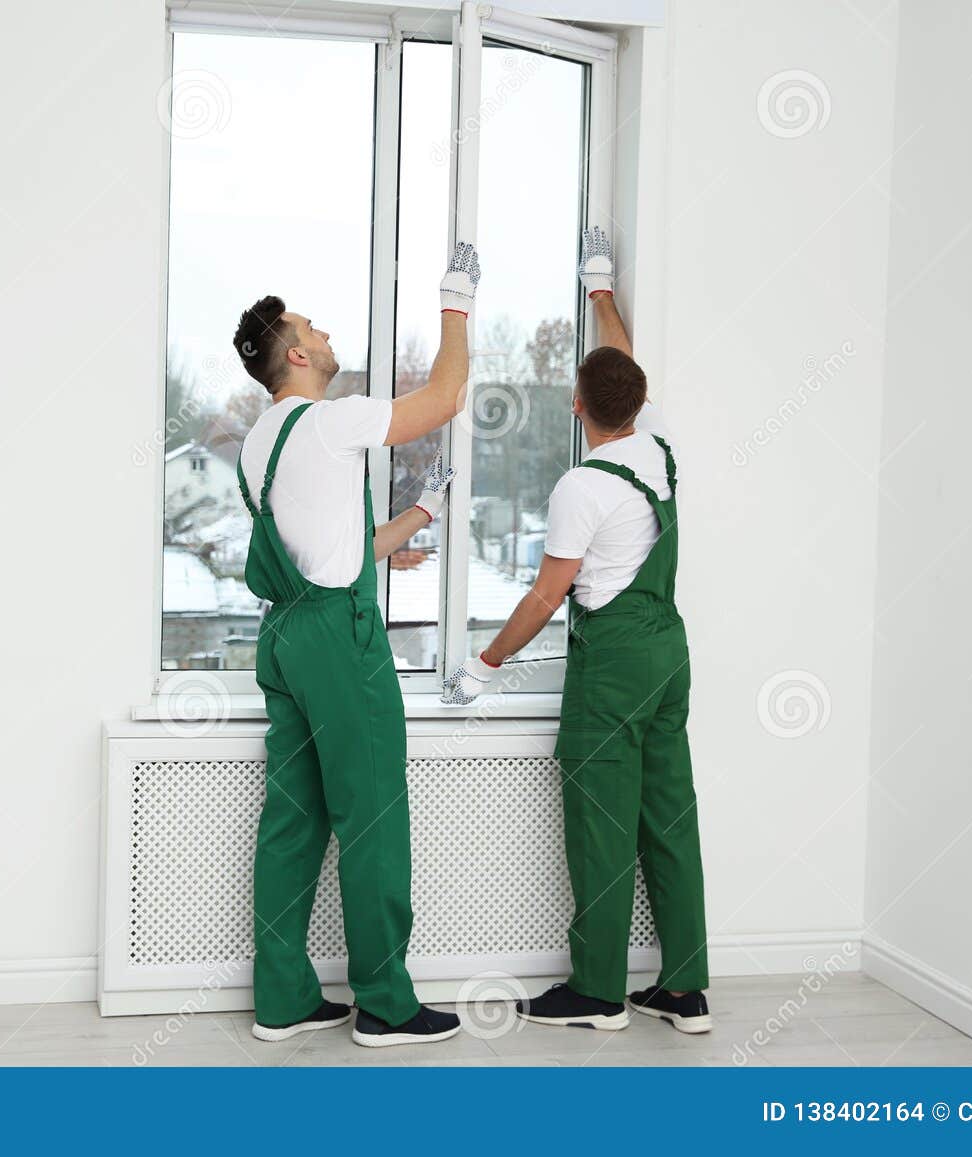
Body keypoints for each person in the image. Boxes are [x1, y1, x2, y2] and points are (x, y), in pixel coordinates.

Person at [442, 226, 711, 1034]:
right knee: (669, 817)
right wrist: (600, 288)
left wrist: (483, 665)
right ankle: (686, 990)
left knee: (602, 825)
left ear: (576, 407)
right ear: (636, 402)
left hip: (616, 665)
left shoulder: (583, 485)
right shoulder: (657, 447)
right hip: (669, 653)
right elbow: (624, 357)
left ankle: (599, 992)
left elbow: (542, 598)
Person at [234, 243, 482, 1047]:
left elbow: (325, 554)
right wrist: (455, 301)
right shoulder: (333, 421)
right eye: (313, 326)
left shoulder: (259, 442)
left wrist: (416, 518)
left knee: (294, 820)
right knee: (372, 814)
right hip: (342, 642)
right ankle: (385, 1002)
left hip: (288, 636)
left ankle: (283, 998)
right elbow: (444, 397)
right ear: (297, 354)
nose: (328, 332)